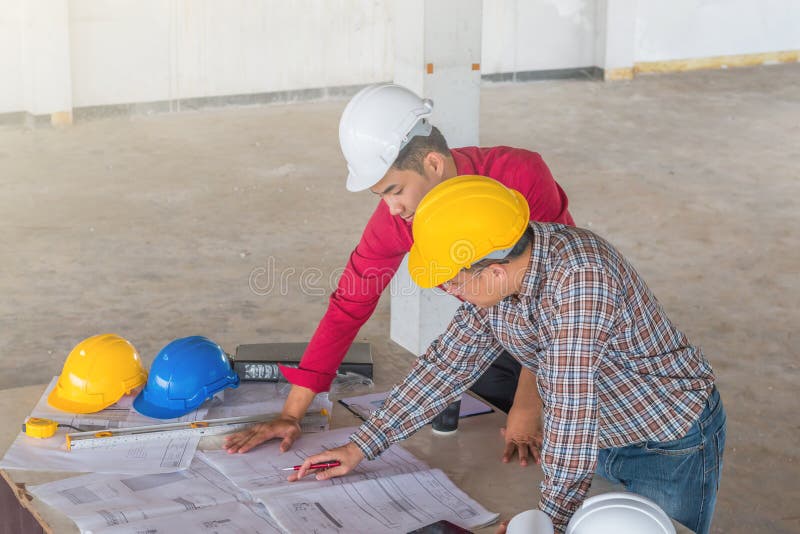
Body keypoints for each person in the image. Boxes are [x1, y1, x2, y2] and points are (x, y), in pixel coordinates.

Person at [289, 176, 726, 534]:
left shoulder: (580, 283)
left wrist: (546, 526)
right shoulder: (499, 278)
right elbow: (448, 364)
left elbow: (571, 415)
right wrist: (363, 445)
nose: (451, 292)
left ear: (495, 270)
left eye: (453, 284)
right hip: (602, 431)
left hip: (665, 438)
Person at [225, 83, 574, 465]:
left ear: (434, 165)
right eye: (382, 197)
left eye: (396, 190)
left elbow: (556, 291)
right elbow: (350, 304)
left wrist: (529, 402)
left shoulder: (518, 175)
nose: (392, 209)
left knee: (570, 425)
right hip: (495, 328)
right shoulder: (399, 219)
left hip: (570, 329)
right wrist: (292, 414)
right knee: (482, 407)